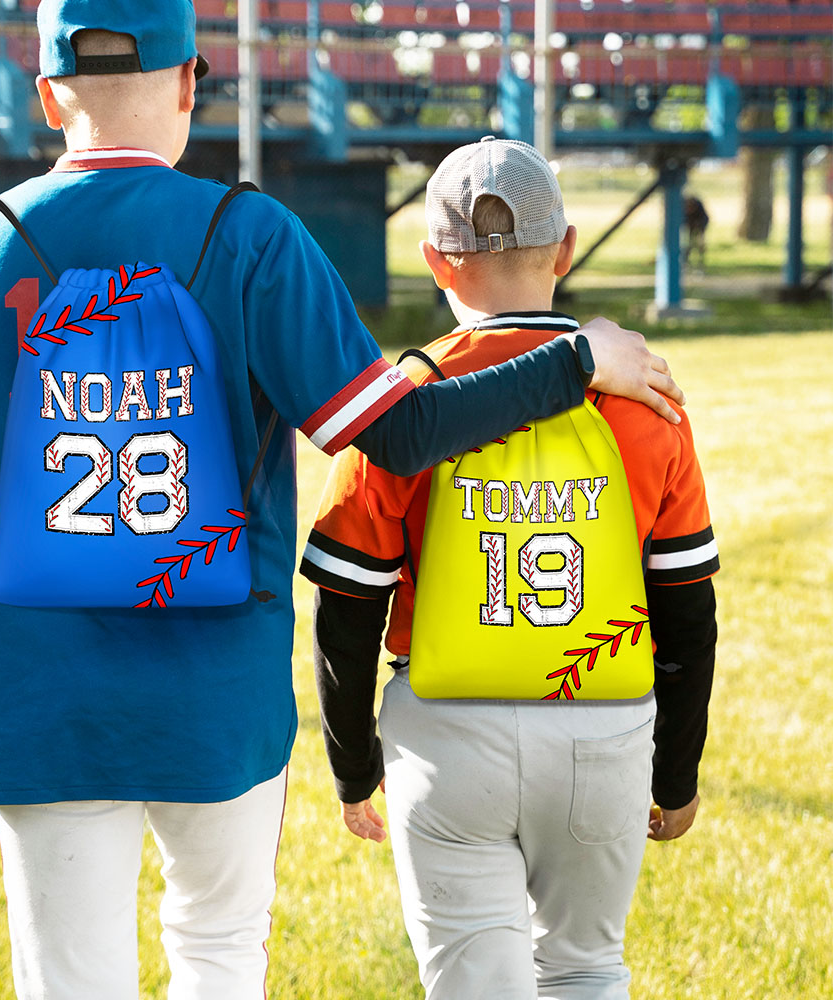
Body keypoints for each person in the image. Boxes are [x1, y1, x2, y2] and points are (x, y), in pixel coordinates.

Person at [0, 0, 686, 993]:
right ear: (191, 83)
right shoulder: (251, 233)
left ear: (48, 95)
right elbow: (398, 433)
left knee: (68, 978)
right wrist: (573, 361)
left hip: (42, 699)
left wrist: (5, 638)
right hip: (218, 689)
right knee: (218, 952)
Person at [303, 138, 719, 999]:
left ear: (433, 264)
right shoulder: (646, 399)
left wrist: (354, 763)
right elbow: (687, 611)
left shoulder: (401, 408)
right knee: (586, 971)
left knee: (472, 984)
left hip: (445, 735)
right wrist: (675, 771)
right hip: (603, 732)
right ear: (566, 249)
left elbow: (348, 608)